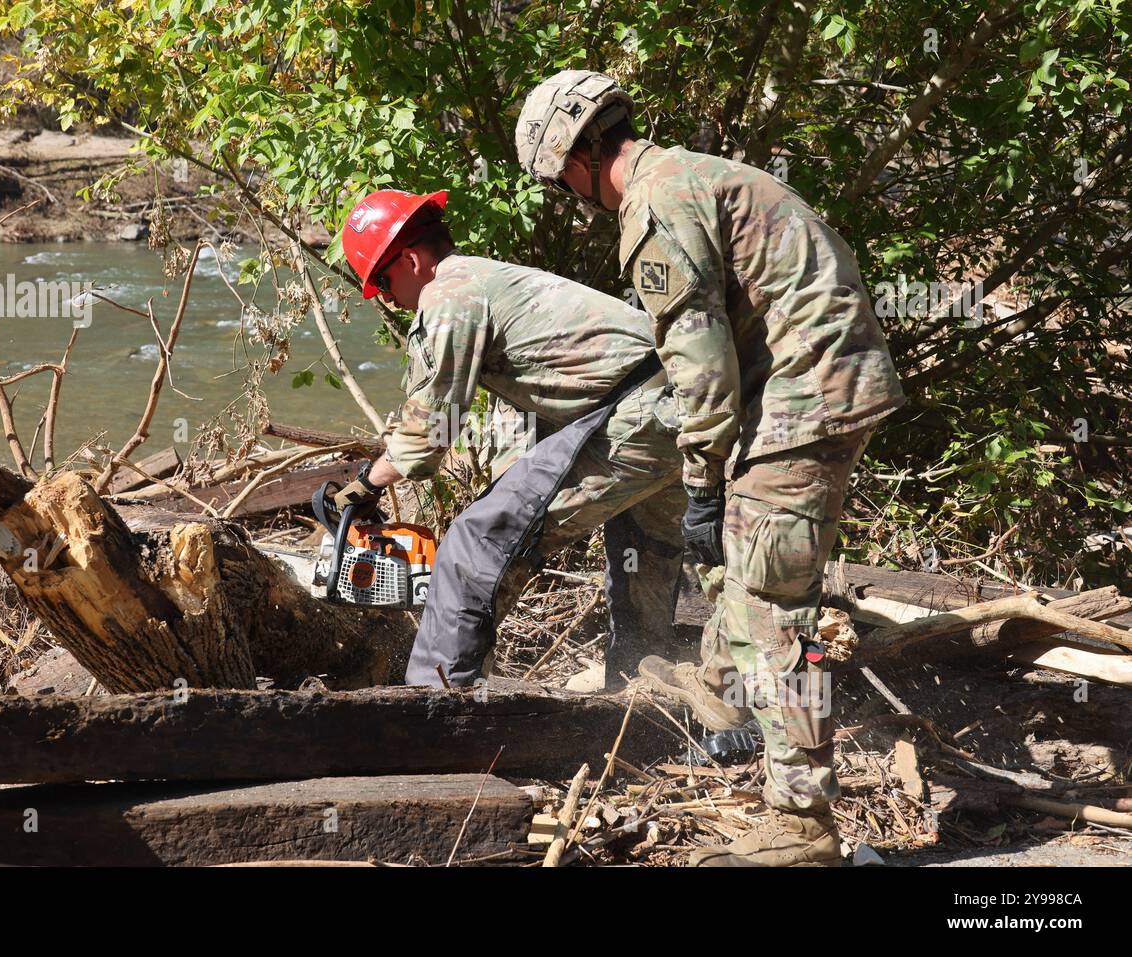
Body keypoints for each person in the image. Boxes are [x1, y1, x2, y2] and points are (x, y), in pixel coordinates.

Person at [515, 71, 906, 865]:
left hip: (804, 400)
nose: (571, 201)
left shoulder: (653, 210)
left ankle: (803, 827)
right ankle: (727, 715)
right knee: (742, 561)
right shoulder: (696, 173)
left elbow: (702, 372)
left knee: (773, 610)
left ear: (579, 154)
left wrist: (699, 480)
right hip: (819, 388)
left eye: (562, 184)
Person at [329, 187, 689, 691]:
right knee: (644, 548)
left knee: (474, 548)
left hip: (642, 413)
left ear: (410, 258)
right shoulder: (492, 283)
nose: (387, 297)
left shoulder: (451, 295)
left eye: (383, 282)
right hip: (681, 399)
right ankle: (647, 691)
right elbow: (525, 415)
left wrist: (365, 484)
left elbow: (431, 427)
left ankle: (439, 703)